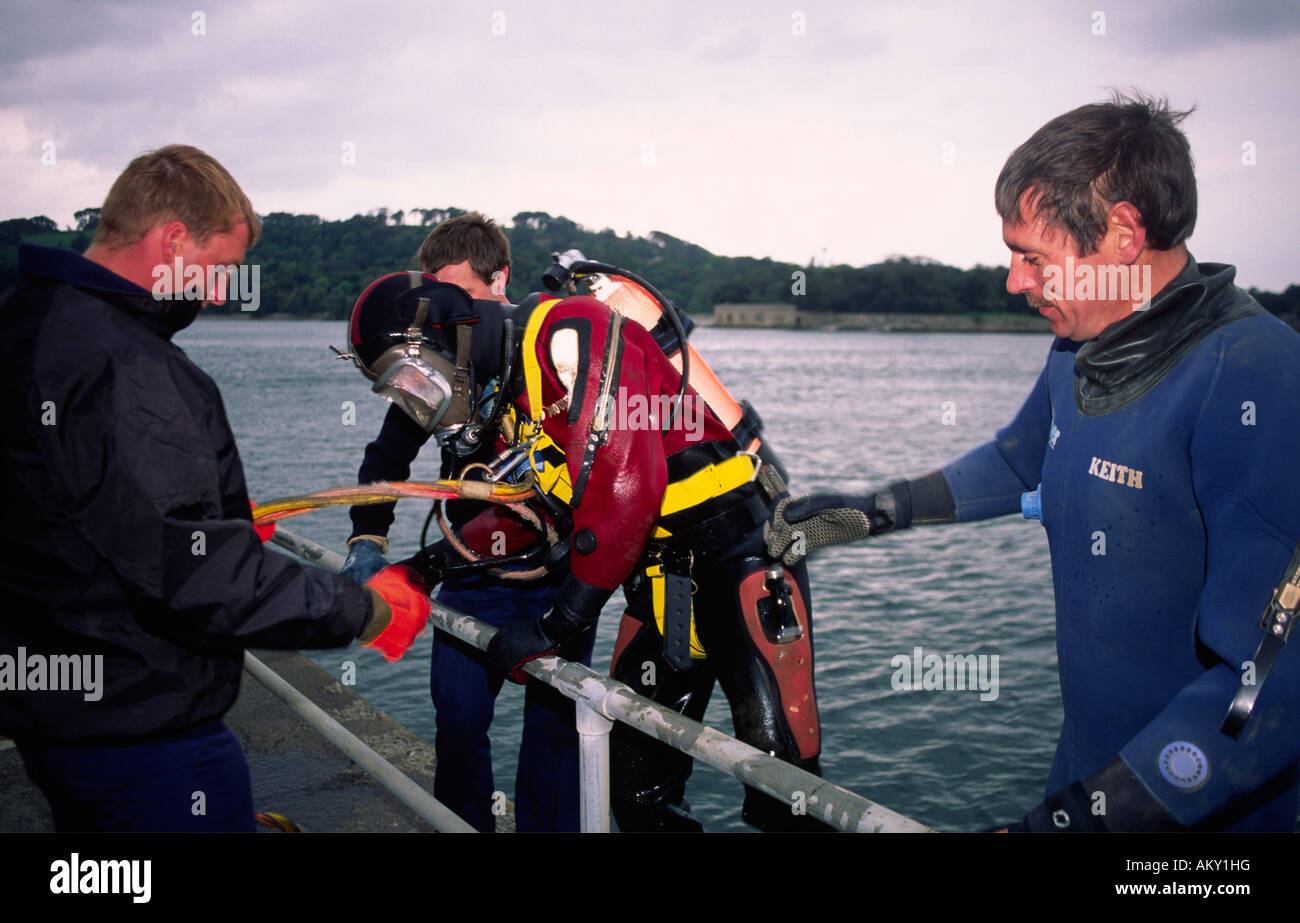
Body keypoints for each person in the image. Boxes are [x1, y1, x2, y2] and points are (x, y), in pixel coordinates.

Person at [765, 93, 1300, 832]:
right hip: (1084, 774)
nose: (1014, 282)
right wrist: (872, 510)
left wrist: (1084, 819)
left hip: (1193, 818)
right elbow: (1019, 461)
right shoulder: (1080, 349)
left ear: (1121, 234)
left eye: (1032, 257)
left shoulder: (1255, 374)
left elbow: (1273, 683)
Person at [0, 145, 430, 833]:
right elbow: (196, 573)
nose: (223, 293)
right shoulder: (124, 366)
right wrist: (364, 610)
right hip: (145, 731)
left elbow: (77, 508)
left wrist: (212, 519)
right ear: (172, 240)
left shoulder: (27, 321)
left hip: (56, 710)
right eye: (221, 268)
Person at [342, 259, 831, 831]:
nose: (420, 402)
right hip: (654, 578)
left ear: (451, 333)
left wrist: (557, 624)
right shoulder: (509, 392)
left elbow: (626, 494)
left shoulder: (572, 334)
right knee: (636, 792)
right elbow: (540, 514)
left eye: (416, 379)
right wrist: (425, 565)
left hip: (740, 557)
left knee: (784, 787)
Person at [341, 212, 592, 832]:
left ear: (500, 279)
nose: (447, 319)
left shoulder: (549, 353)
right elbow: (386, 459)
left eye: (463, 297)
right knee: (455, 726)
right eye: (437, 303)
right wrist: (365, 543)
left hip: (560, 582)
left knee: (555, 740)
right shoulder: (434, 364)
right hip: (470, 577)